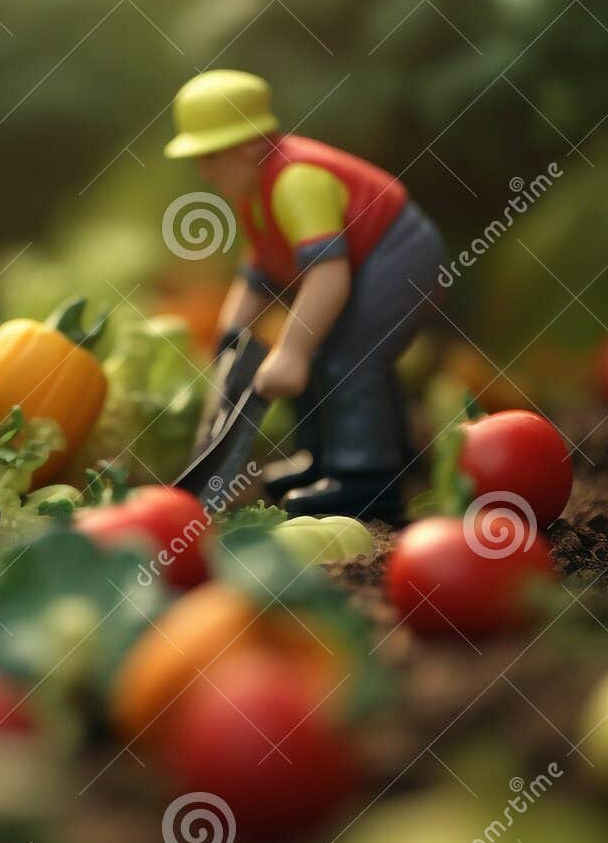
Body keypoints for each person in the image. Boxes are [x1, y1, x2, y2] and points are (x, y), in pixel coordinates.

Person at [164, 69, 446, 518]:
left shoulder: (295, 182)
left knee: (348, 357)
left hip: (399, 253)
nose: (203, 170)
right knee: (322, 355)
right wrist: (233, 334)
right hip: (363, 261)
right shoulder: (255, 194)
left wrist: (291, 351)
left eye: (211, 155)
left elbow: (328, 276)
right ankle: (331, 458)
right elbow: (259, 271)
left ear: (249, 146)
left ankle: (365, 480)